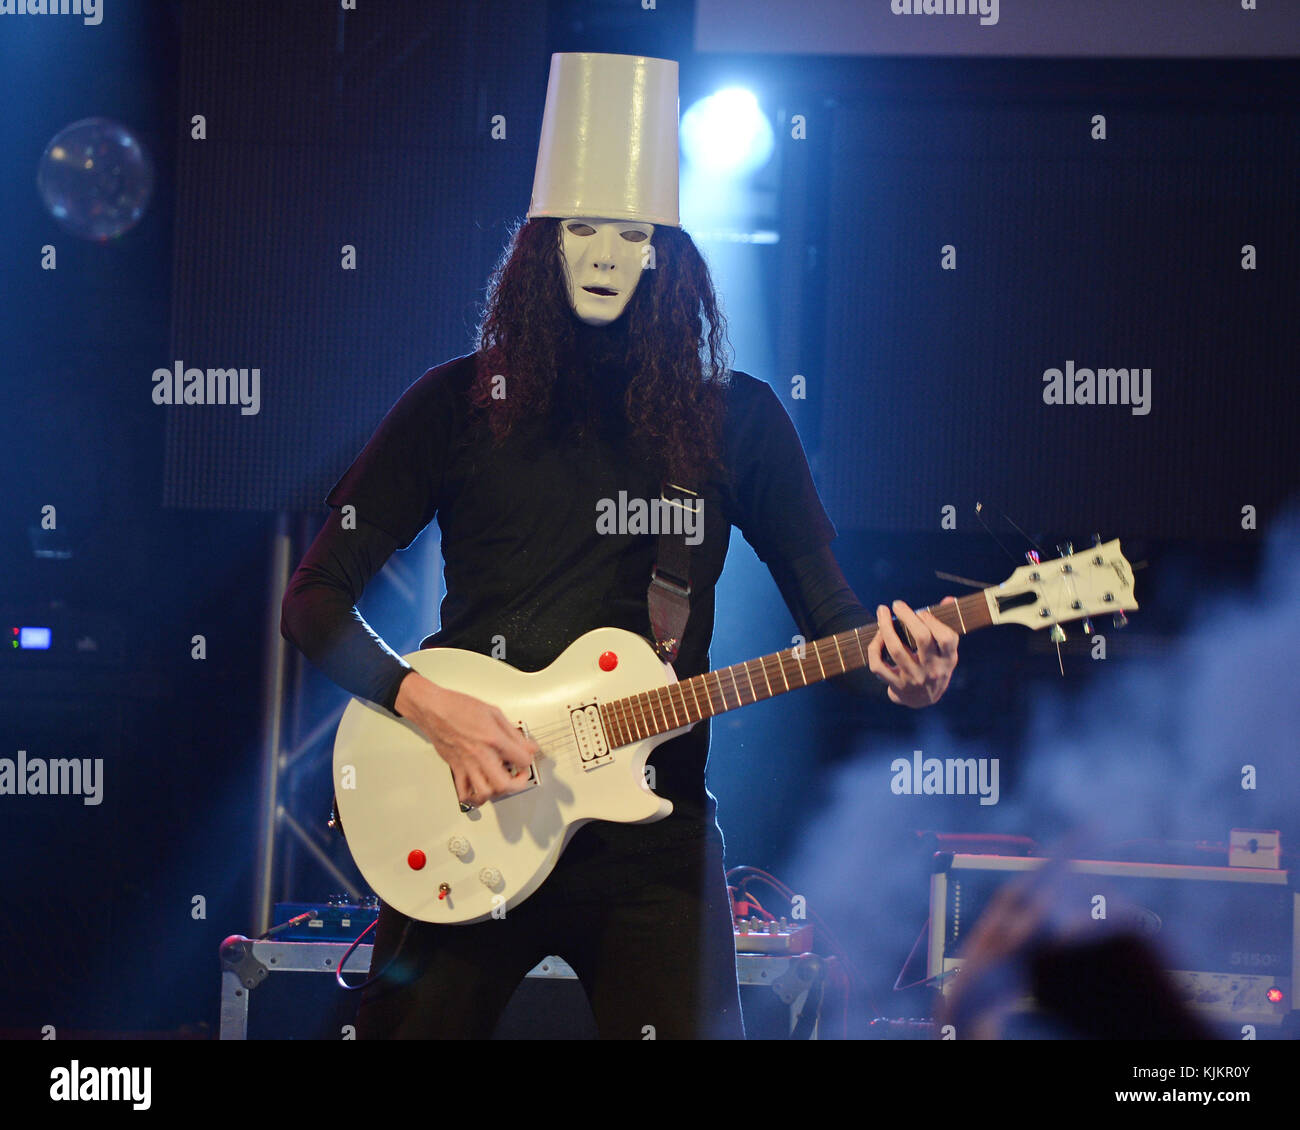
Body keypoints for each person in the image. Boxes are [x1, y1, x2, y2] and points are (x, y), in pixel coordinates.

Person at [280, 52, 959, 1039]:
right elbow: (313, 599)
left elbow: (837, 628)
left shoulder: (737, 424)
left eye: (632, 233)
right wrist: (435, 711)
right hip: (469, 816)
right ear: (537, 248)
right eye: (580, 230)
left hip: (655, 850)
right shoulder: (456, 405)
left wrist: (904, 671)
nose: (603, 254)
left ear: (669, 254)